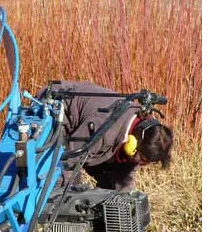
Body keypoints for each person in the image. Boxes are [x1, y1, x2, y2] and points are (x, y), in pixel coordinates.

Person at [41, 80, 173, 191]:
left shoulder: (138, 129)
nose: (140, 164)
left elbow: (124, 179)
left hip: (88, 138)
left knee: (114, 187)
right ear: (133, 142)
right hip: (53, 112)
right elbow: (69, 161)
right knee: (68, 188)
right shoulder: (103, 130)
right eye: (142, 159)